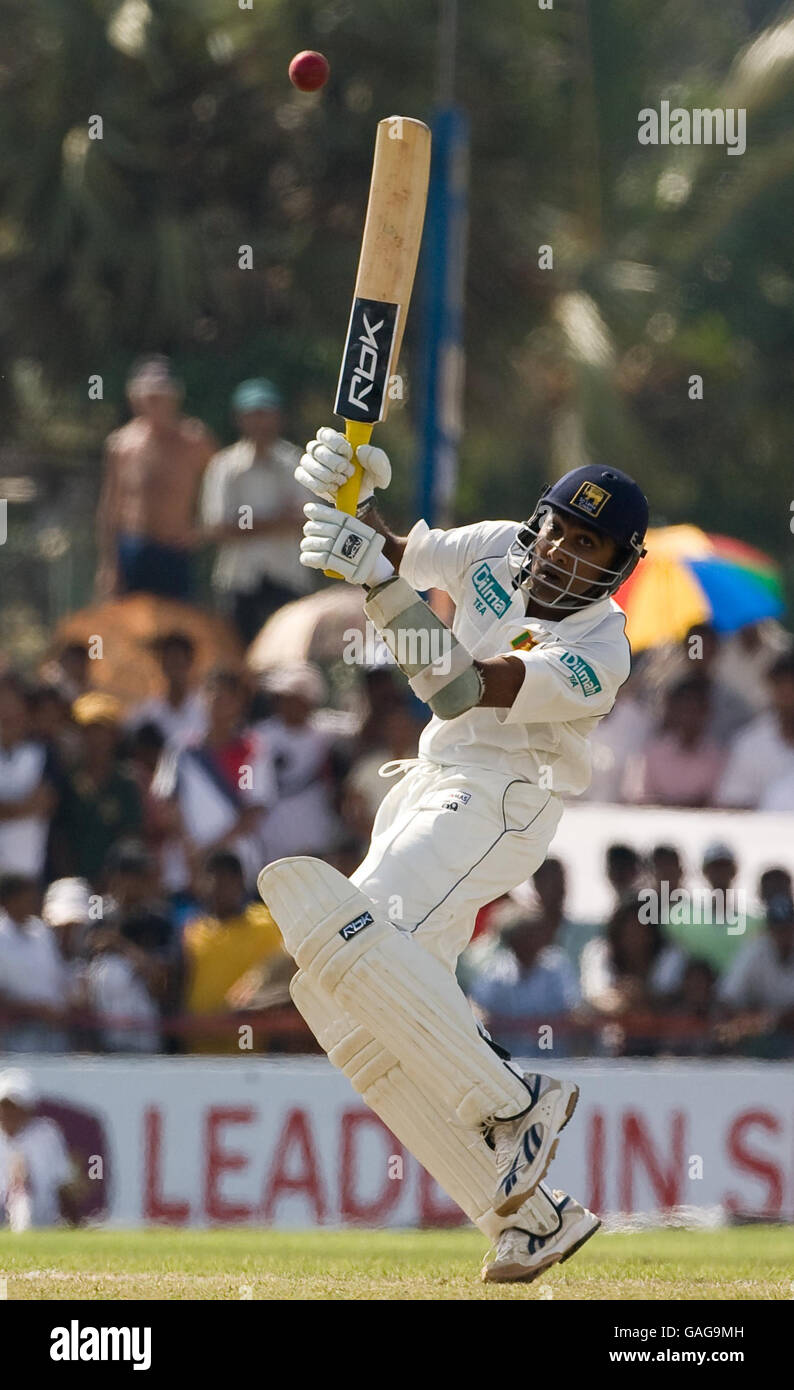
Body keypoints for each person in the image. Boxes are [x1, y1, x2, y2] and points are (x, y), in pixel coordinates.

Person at [259, 429, 649, 1284]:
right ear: (539, 522)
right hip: (432, 780)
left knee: (351, 938)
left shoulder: (599, 650)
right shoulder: (498, 544)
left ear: (616, 566)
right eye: (558, 531)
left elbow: (461, 686)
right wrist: (352, 499)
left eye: (589, 547)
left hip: (504, 800)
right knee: (337, 995)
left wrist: (376, 579)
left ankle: (518, 1104)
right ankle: (535, 1221)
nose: (561, 555)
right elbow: (398, 554)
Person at [95, 356, 216, 601]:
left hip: (176, 550)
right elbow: (111, 506)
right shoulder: (122, 444)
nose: (153, 404)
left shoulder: (195, 441)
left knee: (176, 629)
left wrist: (202, 531)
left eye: (159, 397)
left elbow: (220, 486)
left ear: (174, 398)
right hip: (133, 548)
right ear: (135, 399)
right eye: (147, 398)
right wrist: (108, 565)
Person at [200, 379, 310, 645]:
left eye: (265, 414)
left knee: (286, 655)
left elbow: (307, 520)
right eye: (253, 415)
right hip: (239, 579)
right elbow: (216, 527)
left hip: (286, 576)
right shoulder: (224, 465)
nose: (259, 422)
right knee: (239, 656)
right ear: (240, 419)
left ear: (278, 417)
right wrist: (277, 521)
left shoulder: (295, 461)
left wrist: (247, 525)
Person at [152, 668, 276, 891]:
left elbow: (254, 811)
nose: (217, 702)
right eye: (211, 694)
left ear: (241, 704)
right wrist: (190, 847)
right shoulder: (181, 748)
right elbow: (167, 802)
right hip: (186, 865)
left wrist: (210, 850)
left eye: (226, 697)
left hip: (238, 865)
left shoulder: (254, 749)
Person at [182, 851, 291, 1053]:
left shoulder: (264, 924)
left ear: (240, 882)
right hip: (200, 1051)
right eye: (213, 880)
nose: (218, 889)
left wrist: (257, 995)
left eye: (226, 881)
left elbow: (288, 966)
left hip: (250, 1050)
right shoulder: (194, 930)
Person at [50, 693, 142, 885]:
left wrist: (114, 879)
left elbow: (131, 836)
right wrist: (71, 880)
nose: (96, 739)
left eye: (102, 731)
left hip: (116, 885)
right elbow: (59, 835)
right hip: (74, 884)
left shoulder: (125, 783)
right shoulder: (68, 781)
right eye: (89, 731)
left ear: (114, 736)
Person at [467, 905, 581, 1058]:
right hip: (509, 1060)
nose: (530, 942)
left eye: (534, 935)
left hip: (553, 1057)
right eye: (524, 936)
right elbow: (477, 1007)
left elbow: (573, 1010)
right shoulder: (496, 970)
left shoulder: (557, 965)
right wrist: (502, 1025)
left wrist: (536, 1026)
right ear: (512, 940)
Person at [256, 663, 341, 861]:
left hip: (315, 825)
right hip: (272, 829)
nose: (290, 706)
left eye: (297, 699)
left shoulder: (326, 736)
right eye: (286, 699)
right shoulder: (260, 737)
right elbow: (247, 783)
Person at [623, 674, 724, 806]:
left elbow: (720, 804)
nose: (689, 717)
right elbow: (636, 799)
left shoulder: (718, 758)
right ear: (671, 711)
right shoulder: (649, 754)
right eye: (684, 710)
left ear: (706, 713)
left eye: (695, 711)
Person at [716, 894, 794, 1057]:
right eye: (778, 928)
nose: (784, 934)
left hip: (786, 1033)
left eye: (788, 927)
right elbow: (726, 999)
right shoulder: (755, 949)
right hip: (758, 1035)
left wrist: (772, 1019)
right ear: (769, 929)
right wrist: (750, 1020)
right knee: (724, 1033)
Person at [0, 1071, 80, 1230]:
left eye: (14, 1107)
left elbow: (62, 1182)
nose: (8, 1113)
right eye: (4, 1106)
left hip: (44, 1220)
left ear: (28, 1109)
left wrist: (75, 1222)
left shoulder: (46, 1135)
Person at [0, 875, 70, 1052]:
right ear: (9, 900)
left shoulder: (42, 932)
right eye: (26, 897)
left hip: (52, 1031)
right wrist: (33, 1009)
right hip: (12, 1033)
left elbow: (57, 975)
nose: (32, 902)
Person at [716, 649, 794, 809]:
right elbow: (734, 804)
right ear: (772, 687)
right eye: (784, 686)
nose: (789, 695)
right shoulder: (749, 743)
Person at [0, 674, 58, 879]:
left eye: (13, 707)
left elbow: (45, 803)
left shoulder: (43, 754)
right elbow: (32, 805)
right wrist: (24, 806)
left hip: (27, 875)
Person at [128, 632, 207, 747]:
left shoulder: (206, 709)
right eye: (169, 660)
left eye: (178, 660)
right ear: (161, 665)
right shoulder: (147, 714)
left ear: (189, 662)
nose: (174, 667)